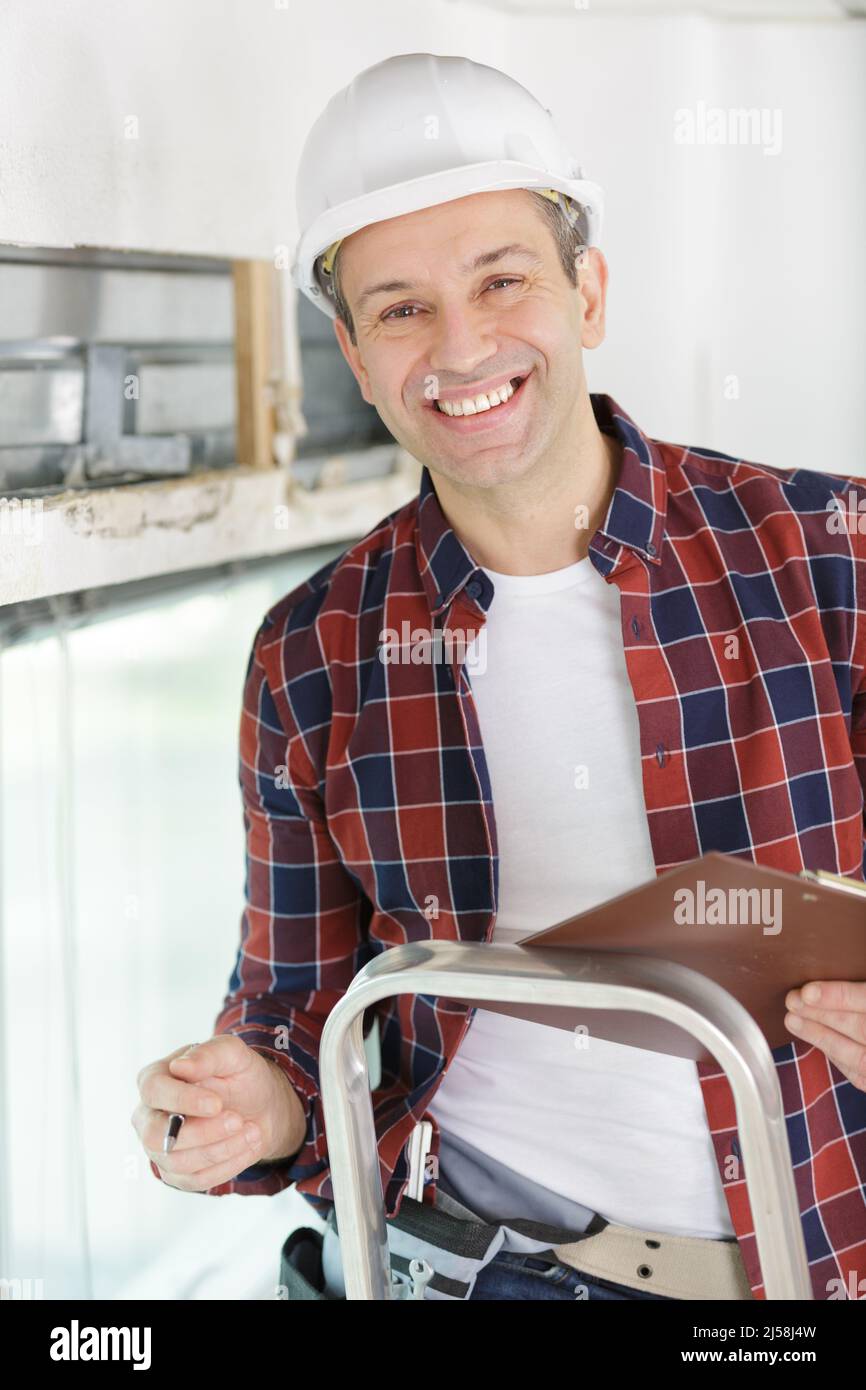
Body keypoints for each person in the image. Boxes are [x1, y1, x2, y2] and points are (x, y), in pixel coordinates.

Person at [133, 52, 866, 1302]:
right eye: (400, 307)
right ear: (357, 356)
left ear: (585, 291)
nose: (459, 345)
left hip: (818, 1260)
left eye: (501, 279)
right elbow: (293, 1015)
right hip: (489, 1268)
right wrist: (253, 1106)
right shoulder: (309, 655)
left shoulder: (827, 552)